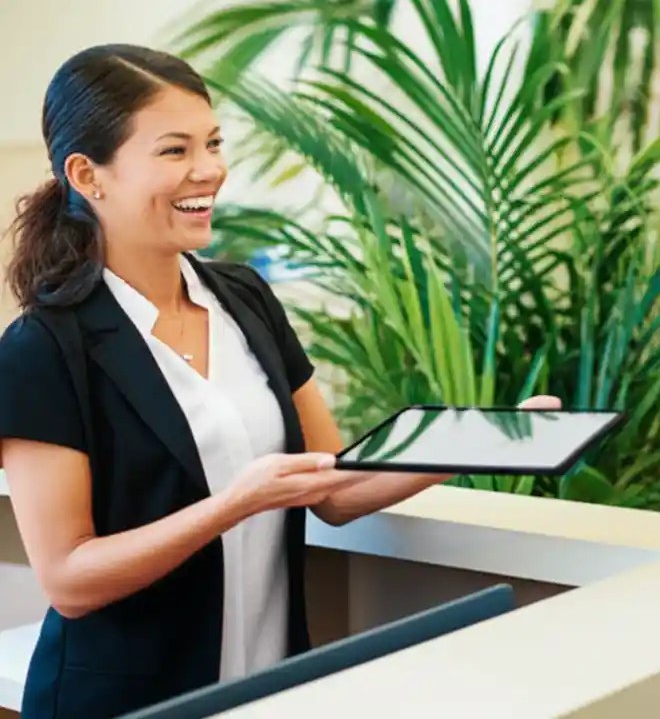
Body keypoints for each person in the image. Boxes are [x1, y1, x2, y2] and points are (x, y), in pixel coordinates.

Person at [0, 45, 557, 719]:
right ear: (89, 175)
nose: (210, 170)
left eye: (212, 143)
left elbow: (333, 486)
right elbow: (69, 579)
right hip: (126, 704)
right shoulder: (42, 349)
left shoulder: (244, 297)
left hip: (268, 692)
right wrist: (233, 505)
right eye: (175, 151)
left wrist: (483, 441)